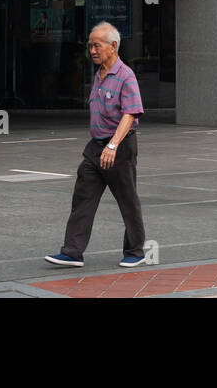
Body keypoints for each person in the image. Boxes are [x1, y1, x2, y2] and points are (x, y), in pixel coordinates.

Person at [46, 21, 147, 269]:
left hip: (119, 147)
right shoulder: (99, 74)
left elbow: (130, 114)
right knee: (83, 198)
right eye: (90, 46)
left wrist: (112, 146)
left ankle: (135, 251)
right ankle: (72, 252)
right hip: (95, 148)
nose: (92, 50)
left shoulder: (125, 76)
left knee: (127, 200)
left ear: (113, 46)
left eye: (97, 45)